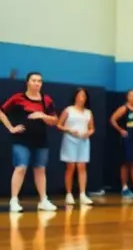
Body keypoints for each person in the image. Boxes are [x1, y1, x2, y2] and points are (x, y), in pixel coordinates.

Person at [1, 72, 59, 212]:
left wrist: (42, 115)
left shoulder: (47, 100)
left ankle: (43, 200)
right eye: (34, 80)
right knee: (21, 167)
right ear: (27, 82)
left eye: (39, 81)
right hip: (21, 139)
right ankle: (14, 200)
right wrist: (11, 128)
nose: (37, 83)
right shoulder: (17, 98)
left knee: (40, 169)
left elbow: (54, 120)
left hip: (40, 140)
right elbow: (2, 111)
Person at [57, 88, 95, 206]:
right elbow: (59, 125)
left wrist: (88, 133)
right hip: (70, 140)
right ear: (75, 97)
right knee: (71, 166)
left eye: (84, 96)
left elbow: (92, 128)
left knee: (82, 166)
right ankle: (69, 194)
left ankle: (82, 194)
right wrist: (69, 130)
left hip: (83, 141)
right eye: (80, 95)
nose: (82, 98)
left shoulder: (88, 112)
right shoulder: (68, 110)